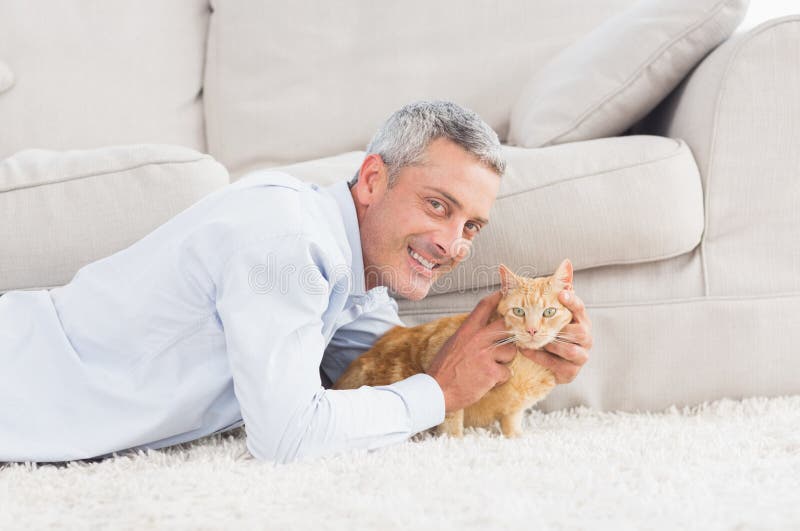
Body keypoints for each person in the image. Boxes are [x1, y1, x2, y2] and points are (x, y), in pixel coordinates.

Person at [0, 101, 592, 465]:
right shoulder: (289, 241)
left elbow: (383, 366)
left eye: (471, 225)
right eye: (438, 205)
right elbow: (286, 436)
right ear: (371, 180)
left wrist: (524, 355)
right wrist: (439, 391)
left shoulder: (353, 268)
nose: (454, 244)